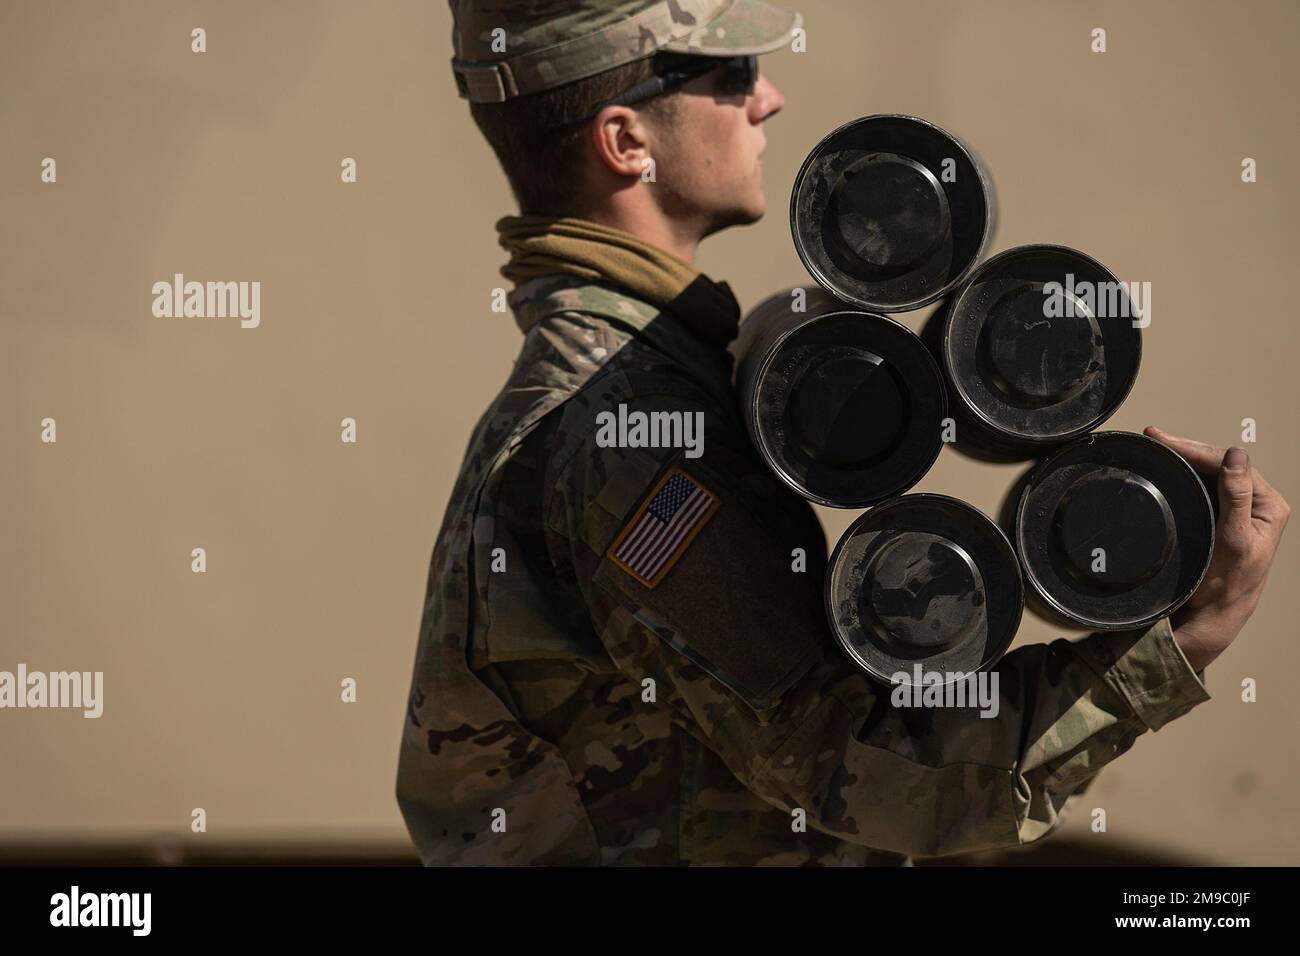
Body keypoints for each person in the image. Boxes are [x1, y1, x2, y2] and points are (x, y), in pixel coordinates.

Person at [395, 0, 1291, 865]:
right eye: (732, 72)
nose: (768, 96)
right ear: (626, 141)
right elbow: (875, 774)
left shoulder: (630, 385)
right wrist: (1183, 638)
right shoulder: (626, 425)